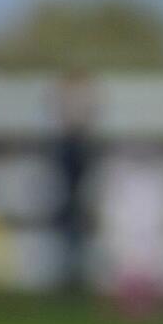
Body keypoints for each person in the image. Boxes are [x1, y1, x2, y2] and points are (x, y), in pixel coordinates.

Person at [48, 73, 107, 300]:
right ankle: (69, 276)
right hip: (69, 175)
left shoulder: (82, 149)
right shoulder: (64, 149)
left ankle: (76, 276)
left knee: (77, 225)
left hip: (77, 167)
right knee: (69, 225)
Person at [105, 147, 163, 319]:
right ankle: (131, 305)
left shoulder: (154, 183)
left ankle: (148, 305)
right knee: (130, 264)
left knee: (150, 265)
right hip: (132, 230)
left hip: (147, 230)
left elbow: (160, 211)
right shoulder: (125, 181)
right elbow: (119, 212)